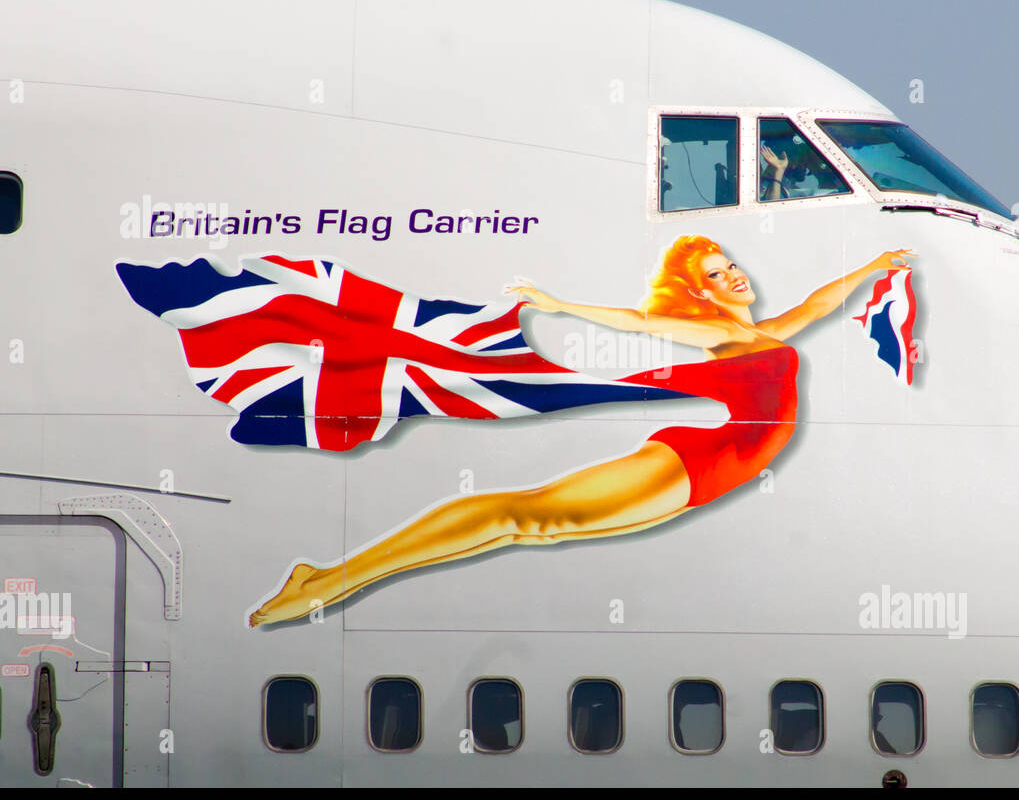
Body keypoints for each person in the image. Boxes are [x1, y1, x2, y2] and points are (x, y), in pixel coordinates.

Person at [248, 235, 914, 626]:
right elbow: (641, 323)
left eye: (729, 265)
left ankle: (329, 578)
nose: (733, 275)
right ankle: (328, 580)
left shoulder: (760, 333)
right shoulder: (713, 332)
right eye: (715, 275)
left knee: (540, 523)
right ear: (701, 294)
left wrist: (869, 270)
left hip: (709, 478)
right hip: (694, 461)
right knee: (524, 517)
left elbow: (816, 305)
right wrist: (562, 306)